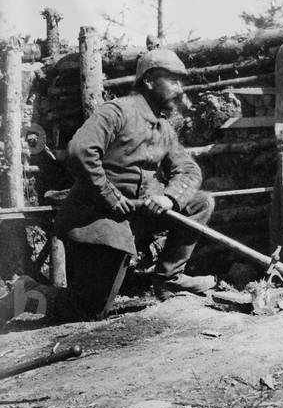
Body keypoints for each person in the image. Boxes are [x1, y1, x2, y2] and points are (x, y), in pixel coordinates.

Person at [1, 49, 217, 327]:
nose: (179, 89)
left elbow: (188, 169)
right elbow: (81, 150)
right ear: (149, 80)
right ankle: (27, 294)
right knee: (86, 310)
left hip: (136, 217)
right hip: (97, 221)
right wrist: (110, 195)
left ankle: (169, 280)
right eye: (173, 80)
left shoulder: (163, 127)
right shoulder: (117, 111)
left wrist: (170, 198)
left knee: (200, 202)